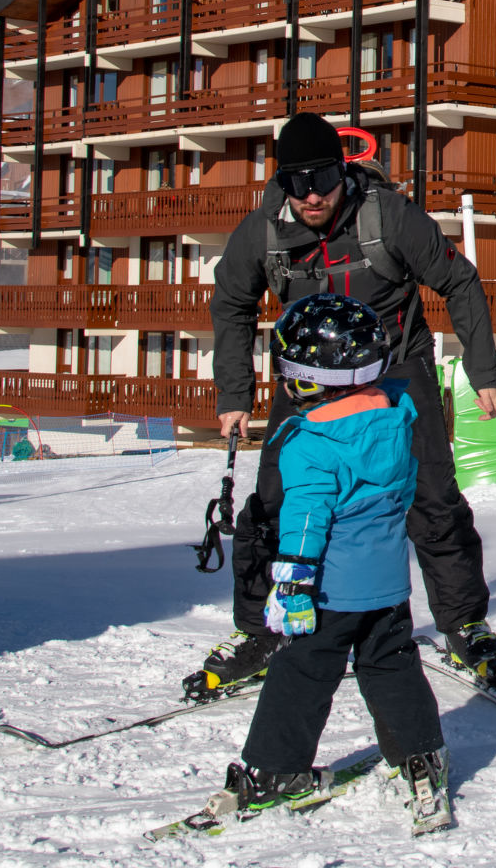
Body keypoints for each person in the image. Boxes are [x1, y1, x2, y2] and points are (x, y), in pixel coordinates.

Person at [185, 111, 496, 701]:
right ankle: (258, 629)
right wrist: (234, 393)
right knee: (274, 503)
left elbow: (459, 282)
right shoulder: (263, 229)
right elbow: (231, 302)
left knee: (429, 494)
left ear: (344, 169)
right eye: (298, 182)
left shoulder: (388, 217)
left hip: (393, 366)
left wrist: (482, 369)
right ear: (282, 180)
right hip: (307, 376)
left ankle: (464, 621)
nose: (312, 196)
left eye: (324, 178)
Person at [210, 293, 452, 832]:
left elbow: (304, 523)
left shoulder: (311, 444)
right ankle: (421, 759)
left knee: (300, 673)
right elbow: (404, 489)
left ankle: (276, 771)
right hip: (388, 587)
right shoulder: (397, 418)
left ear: (309, 379)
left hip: (328, 592)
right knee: (391, 667)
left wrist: (291, 585)